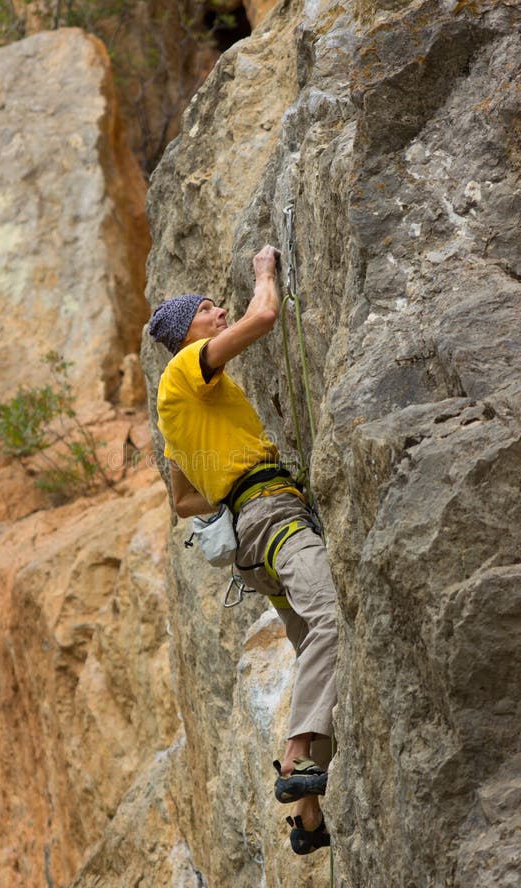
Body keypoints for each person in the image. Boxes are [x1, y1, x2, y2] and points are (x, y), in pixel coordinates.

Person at [148, 244, 338, 855]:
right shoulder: (183, 372)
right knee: (332, 621)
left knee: (318, 646)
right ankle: (294, 759)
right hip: (273, 516)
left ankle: (308, 813)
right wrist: (264, 274)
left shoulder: (181, 412)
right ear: (185, 336)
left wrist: (229, 482)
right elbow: (262, 320)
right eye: (207, 309)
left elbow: (183, 500)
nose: (219, 310)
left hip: (251, 534)